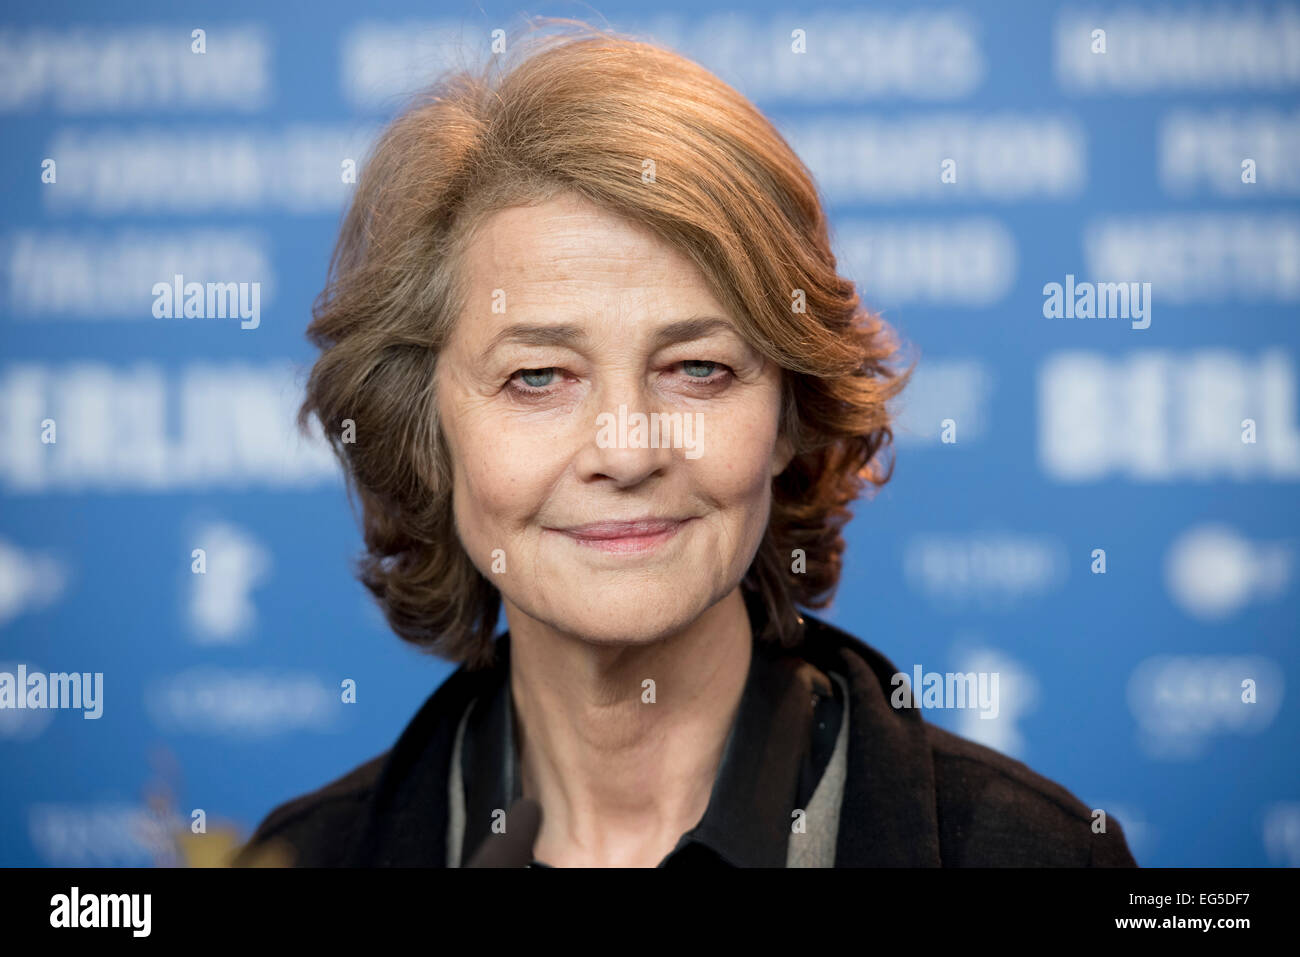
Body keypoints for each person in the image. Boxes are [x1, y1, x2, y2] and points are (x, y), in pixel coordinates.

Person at [234, 20, 1137, 868]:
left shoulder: (1036, 855)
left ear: (790, 414)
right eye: (538, 377)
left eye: (697, 368)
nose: (626, 453)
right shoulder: (307, 858)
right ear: (426, 428)